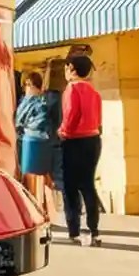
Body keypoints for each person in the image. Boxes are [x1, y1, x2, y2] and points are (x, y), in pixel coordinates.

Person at [58, 54, 104, 246]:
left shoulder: (72, 88)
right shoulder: (94, 91)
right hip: (93, 139)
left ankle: (74, 230)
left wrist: (63, 131)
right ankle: (94, 230)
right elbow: (99, 118)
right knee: (88, 185)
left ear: (72, 69)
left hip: (75, 141)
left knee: (70, 187)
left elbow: (71, 113)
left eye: (67, 67)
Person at [15, 72, 56, 223]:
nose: (25, 88)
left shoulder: (30, 101)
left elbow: (18, 120)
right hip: (45, 142)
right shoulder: (45, 101)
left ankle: (33, 212)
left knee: (29, 178)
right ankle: (47, 212)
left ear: (31, 84)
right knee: (44, 177)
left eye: (26, 85)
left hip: (30, 141)